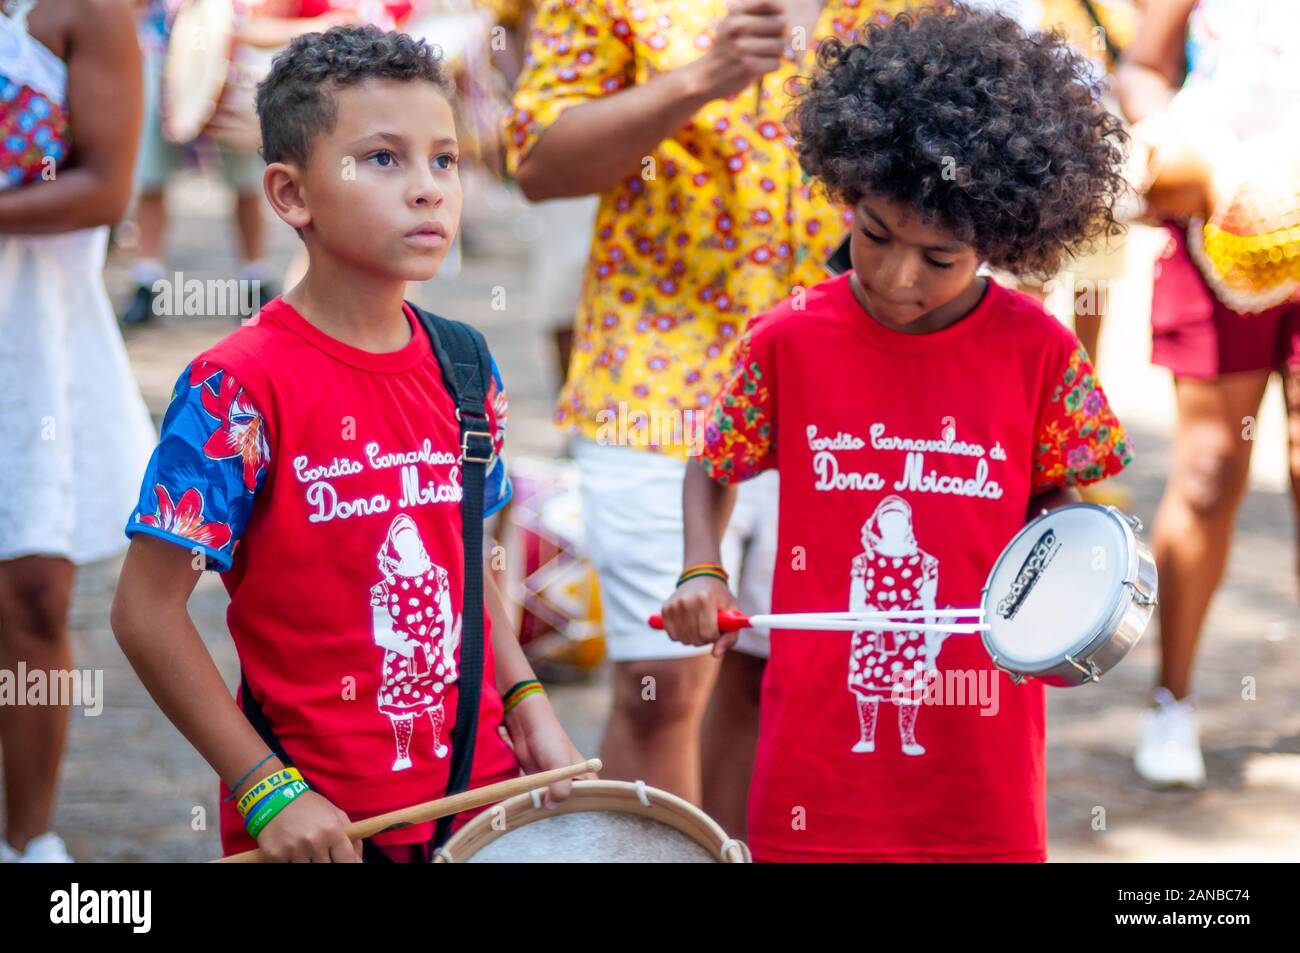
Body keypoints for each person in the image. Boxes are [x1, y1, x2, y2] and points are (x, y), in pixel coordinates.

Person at [660, 5, 1133, 861]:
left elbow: (1065, 502)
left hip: (978, 746)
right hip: (818, 750)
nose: (897, 276)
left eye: (940, 258)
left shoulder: (1040, 352)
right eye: (873, 235)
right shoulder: (788, 339)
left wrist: (1078, 589)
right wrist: (702, 567)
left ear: (1002, 237)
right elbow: (714, 461)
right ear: (848, 190)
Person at [111, 25, 586, 862]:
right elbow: (145, 612)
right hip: (319, 827)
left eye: (444, 159)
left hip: (479, 808)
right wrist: (267, 787)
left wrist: (528, 704)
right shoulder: (237, 390)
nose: (429, 190)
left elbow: (469, 562)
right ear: (291, 195)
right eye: (382, 159)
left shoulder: (467, 366)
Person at [505, 0, 914, 839]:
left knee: (772, 675)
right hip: (657, 377)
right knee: (666, 679)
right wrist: (703, 77)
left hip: (839, 388)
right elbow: (540, 162)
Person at [1116, 0, 1300, 789]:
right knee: (1207, 472)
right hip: (1217, 238)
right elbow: (1143, 67)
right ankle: (1173, 701)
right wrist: (1192, 154)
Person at [0, 0, 154, 864]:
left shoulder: (82, 9)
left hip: (32, 335)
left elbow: (106, 183)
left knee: (30, 593)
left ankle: (26, 839)